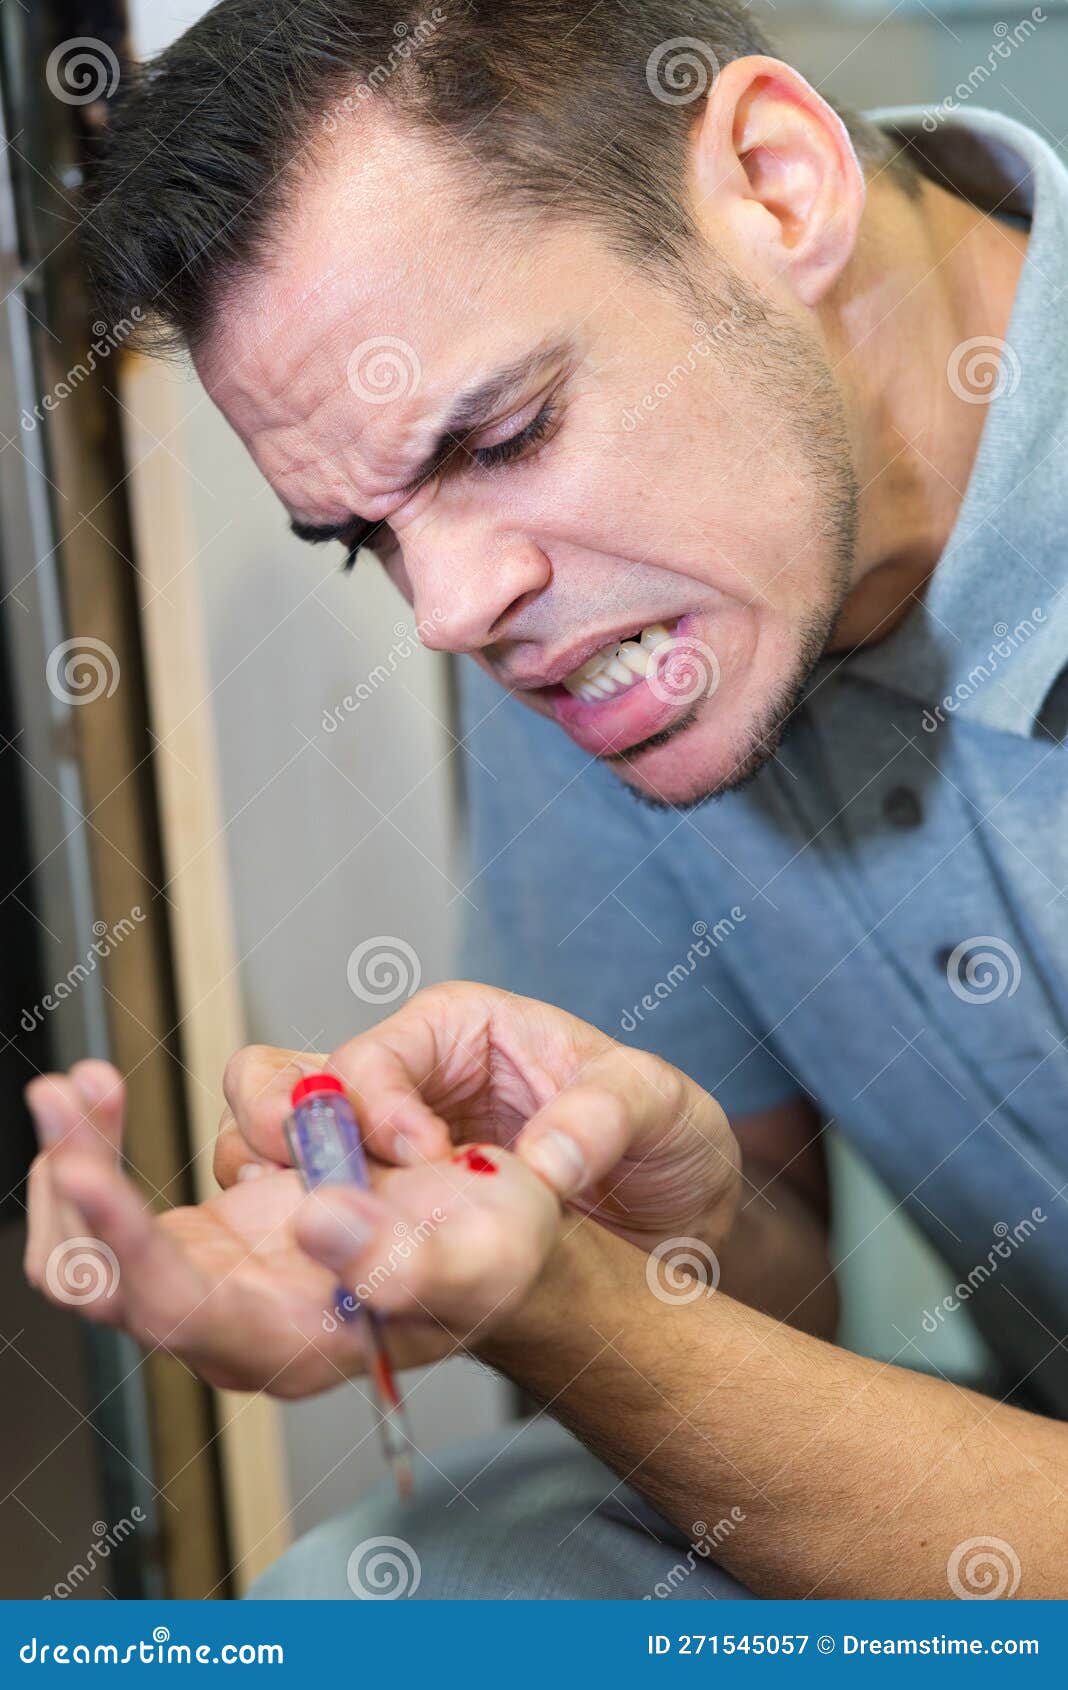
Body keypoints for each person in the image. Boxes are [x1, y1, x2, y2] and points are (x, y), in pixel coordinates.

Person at [25, 0, 1068, 1599]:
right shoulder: (604, 614)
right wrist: (581, 1234)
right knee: (399, 1591)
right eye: (365, 532)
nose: (449, 608)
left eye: (501, 434)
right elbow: (783, 1345)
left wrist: (585, 1312)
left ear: (780, 187)